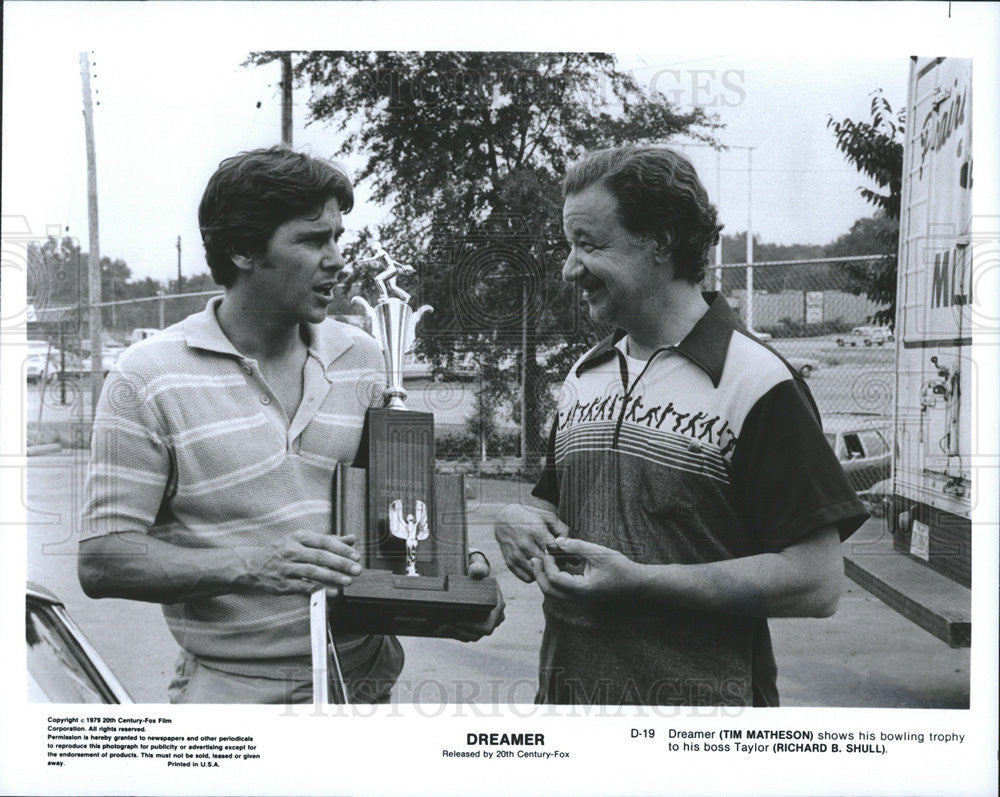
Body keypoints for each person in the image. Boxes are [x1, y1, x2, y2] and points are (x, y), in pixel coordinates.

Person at [78, 146, 501, 704]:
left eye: (337, 237)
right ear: (243, 249)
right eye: (311, 240)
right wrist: (252, 564)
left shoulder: (364, 359)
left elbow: (395, 519)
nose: (336, 260)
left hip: (365, 687)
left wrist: (451, 577)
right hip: (235, 699)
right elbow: (103, 559)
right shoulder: (147, 377)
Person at [495, 145, 867, 707]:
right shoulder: (585, 374)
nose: (571, 268)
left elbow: (817, 581)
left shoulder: (759, 382)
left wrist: (641, 582)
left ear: (662, 242)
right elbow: (559, 511)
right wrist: (520, 522)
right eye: (569, 246)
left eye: (589, 245)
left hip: (699, 738)